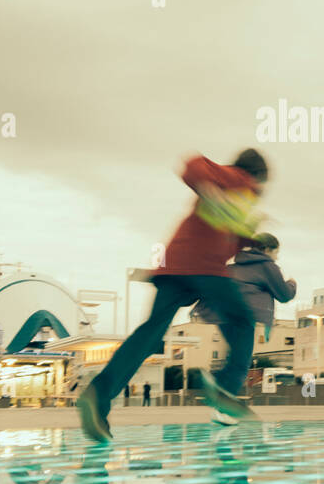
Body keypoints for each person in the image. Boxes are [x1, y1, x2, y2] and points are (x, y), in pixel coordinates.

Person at [73, 149, 269, 442]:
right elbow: (193, 165)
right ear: (257, 176)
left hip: (175, 266)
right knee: (242, 321)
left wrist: (247, 235)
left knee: (150, 335)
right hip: (204, 269)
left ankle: (98, 395)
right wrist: (215, 193)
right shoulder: (238, 179)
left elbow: (225, 232)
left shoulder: (235, 196)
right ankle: (225, 389)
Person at [192, 232, 296, 340]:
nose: (277, 257)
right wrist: (292, 283)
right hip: (244, 314)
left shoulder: (233, 267)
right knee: (243, 348)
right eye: (276, 252)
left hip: (222, 315)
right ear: (267, 250)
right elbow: (284, 295)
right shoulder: (267, 266)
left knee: (236, 347)